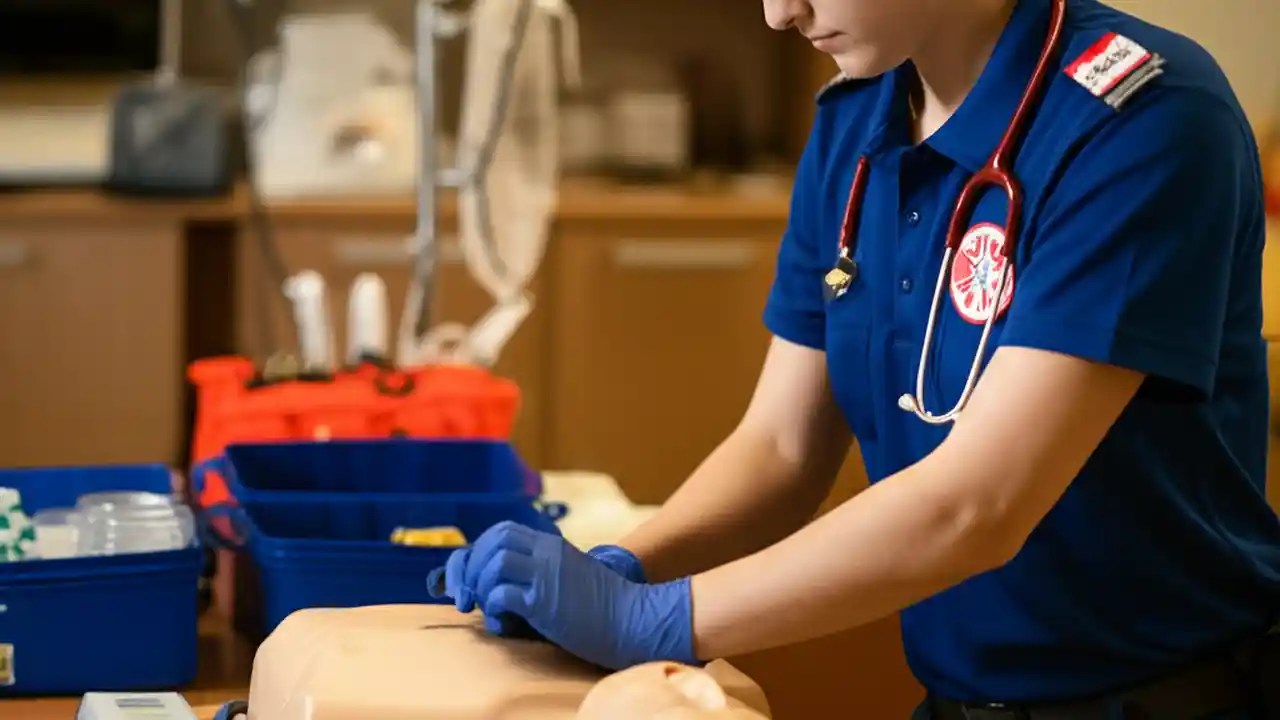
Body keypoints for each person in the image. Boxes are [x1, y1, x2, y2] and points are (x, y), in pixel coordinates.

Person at [431, 0, 1280, 716]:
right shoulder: (860, 120)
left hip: (1165, 697)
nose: (778, 13)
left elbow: (977, 506)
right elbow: (781, 451)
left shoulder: (1143, 118)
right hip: (957, 699)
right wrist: (629, 568)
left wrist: (656, 619)